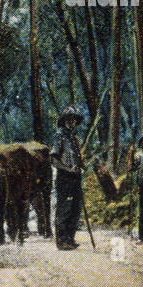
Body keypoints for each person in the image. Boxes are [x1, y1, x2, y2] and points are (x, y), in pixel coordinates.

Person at [50, 106, 85, 250]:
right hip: (65, 177)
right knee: (64, 208)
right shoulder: (60, 136)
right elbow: (54, 160)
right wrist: (68, 169)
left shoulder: (73, 138)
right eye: (69, 119)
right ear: (64, 121)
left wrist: (81, 166)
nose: (72, 122)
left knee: (75, 208)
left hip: (76, 177)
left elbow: (78, 159)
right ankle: (62, 240)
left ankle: (70, 238)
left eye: (74, 120)